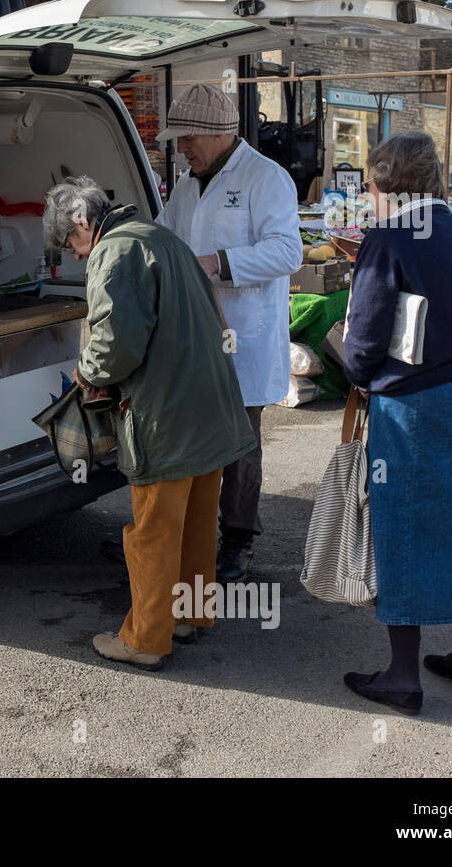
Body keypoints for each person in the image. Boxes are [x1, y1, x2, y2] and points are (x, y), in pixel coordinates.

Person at [46, 176, 256, 670]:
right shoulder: (160, 237)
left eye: (71, 242)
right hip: (211, 407)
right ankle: (189, 615)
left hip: (167, 414)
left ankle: (144, 639)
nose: (75, 254)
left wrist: (87, 372)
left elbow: (117, 343)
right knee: (197, 521)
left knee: (155, 529)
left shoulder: (114, 253)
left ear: (83, 222)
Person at [342, 131, 452, 715]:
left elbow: (363, 335)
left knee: (406, 520)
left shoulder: (387, 237)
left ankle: (403, 676)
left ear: (384, 183)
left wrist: (356, 372)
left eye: (368, 182)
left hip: (418, 397)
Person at [156, 83, 302, 583]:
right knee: (192, 435)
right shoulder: (186, 182)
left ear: (216, 132)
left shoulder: (267, 178)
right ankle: (183, 538)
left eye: (186, 138)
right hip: (194, 337)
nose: (181, 148)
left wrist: (218, 262)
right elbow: (164, 235)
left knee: (240, 444)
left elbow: (288, 252)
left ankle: (238, 541)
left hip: (245, 337)